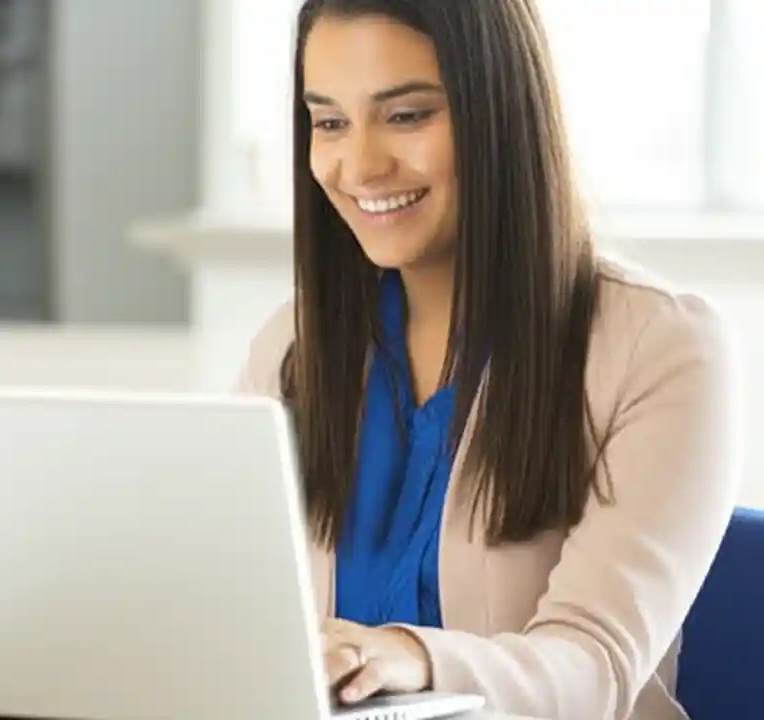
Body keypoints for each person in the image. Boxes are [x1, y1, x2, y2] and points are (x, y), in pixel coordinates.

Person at [233, 1, 741, 718]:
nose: (360, 166)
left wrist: (410, 656)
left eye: (406, 116)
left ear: (501, 113)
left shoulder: (660, 343)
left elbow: (593, 666)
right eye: (329, 122)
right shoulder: (294, 348)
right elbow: (227, 609)